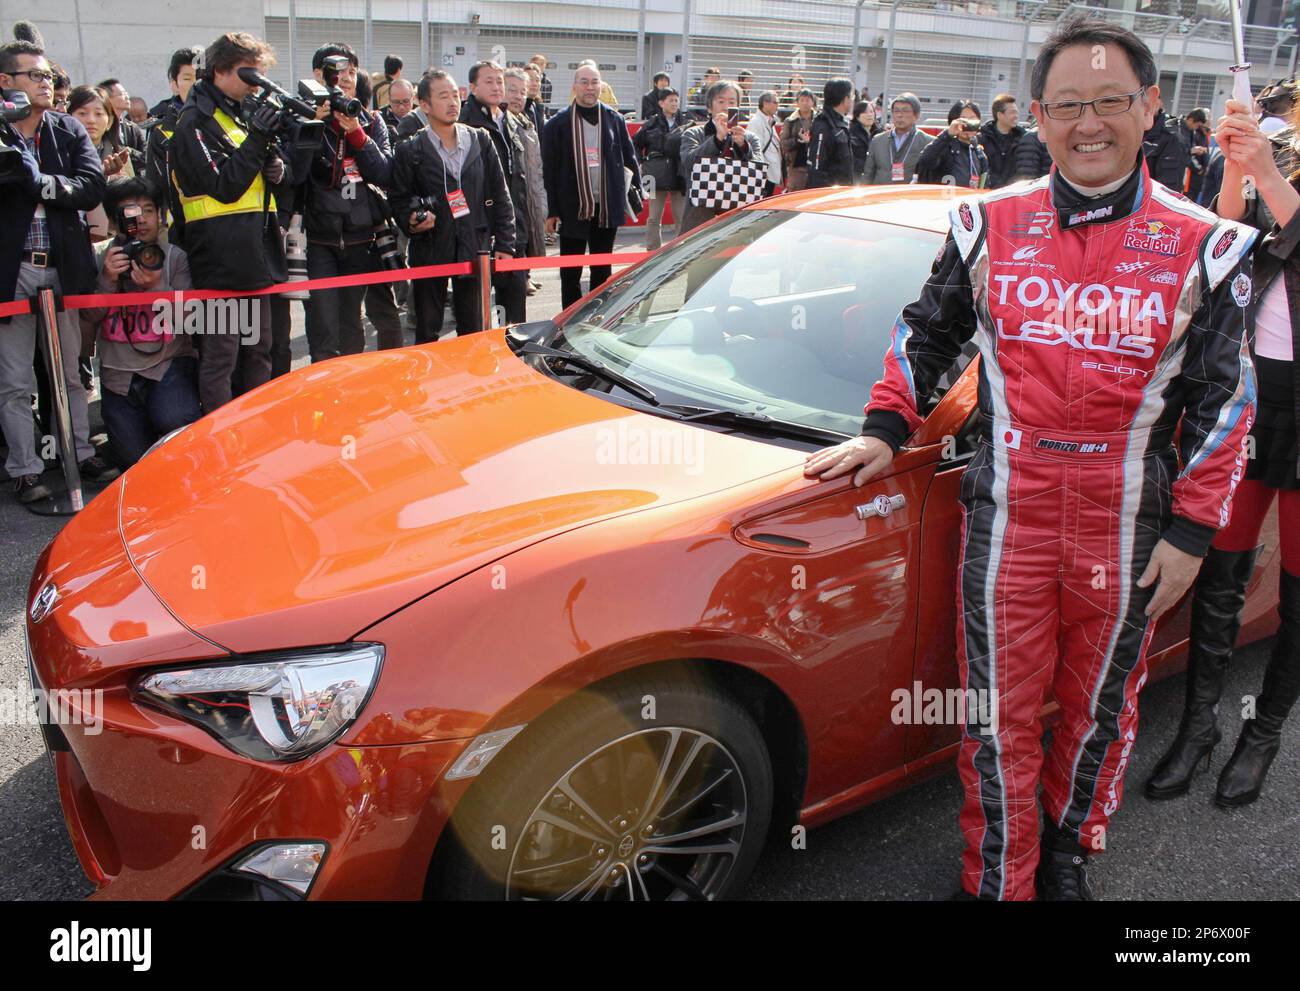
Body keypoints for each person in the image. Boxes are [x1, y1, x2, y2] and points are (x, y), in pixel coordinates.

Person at [803, 15, 1258, 901]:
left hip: (1132, 524)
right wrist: (884, 427)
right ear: (1041, 118)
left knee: (1099, 709)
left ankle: (1070, 851)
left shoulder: (1207, 242)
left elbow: (1224, 399)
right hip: (1009, 512)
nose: (1089, 124)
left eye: (1111, 103)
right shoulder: (984, 223)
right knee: (995, 720)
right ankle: (997, 880)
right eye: (1068, 106)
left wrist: (1195, 529)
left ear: (1151, 107)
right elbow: (928, 331)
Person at [1143, 98, 1299, 810]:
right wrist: (1239, 168)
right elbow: (1224, 239)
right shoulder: (1284, 155)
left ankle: (1262, 731)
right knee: (1221, 570)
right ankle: (1198, 725)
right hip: (1250, 391)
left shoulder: (1283, 167)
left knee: (1298, 590)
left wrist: (1264, 168)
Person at [0, 32, 117, 501]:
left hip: (65, 268)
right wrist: (52, 186)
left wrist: (37, 182)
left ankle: (78, 454)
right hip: (13, 270)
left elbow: (90, 187)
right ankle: (25, 468)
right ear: (6, 81)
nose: (47, 83)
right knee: (14, 379)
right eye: (36, 75)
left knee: (70, 372)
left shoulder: (66, 129)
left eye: (49, 75)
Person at [169, 31, 291, 412]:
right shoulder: (194, 121)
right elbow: (223, 186)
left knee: (260, 350)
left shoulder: (237, 114)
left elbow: (252, 174)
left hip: (255, 255)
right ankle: (219, 437)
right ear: (220, 70)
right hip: (219, 261)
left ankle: (255, 428)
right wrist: (258, 141)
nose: (256, 83)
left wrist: (275, 166)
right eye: (249, 73)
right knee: (221, 356)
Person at [82, 177, 201, 467]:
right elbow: (87, 318)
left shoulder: (174, 257)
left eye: (149, 210)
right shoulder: (101, 256)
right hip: (118, 373)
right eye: (131, 213)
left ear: (160, 214)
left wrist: (157, 288)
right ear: (114, 221)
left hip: (168, 364)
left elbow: (191, 321)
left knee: (175, 422)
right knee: (133, 461)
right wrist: (107, 280)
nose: (143, 219)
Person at [389, 70, 515, 340]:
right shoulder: (410, 149)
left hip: (475, 249)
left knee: (474, 332)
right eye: (443, 96)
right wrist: (412, 218)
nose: (452, 103)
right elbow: (398, 199)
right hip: (430, 250)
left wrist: (505, 244)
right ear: (424, 105)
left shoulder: (480, 140)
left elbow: (501, 195)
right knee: (427, 331)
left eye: (455, 96)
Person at [301, 42, 400, 363]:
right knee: (323, 328)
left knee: (352, 326)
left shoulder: (370, 121)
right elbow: (294, 175)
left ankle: (351, 398)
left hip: (361, 237)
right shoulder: (300, 117)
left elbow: (385, 172)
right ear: (318, 75)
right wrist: (311, 127)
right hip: (318, 240)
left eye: (352, 72)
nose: (345, 78)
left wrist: (357, 134)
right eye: (337, 72)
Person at [542, 62, 641, 308]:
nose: (590, 87)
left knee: (601, 269)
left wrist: (635, 194)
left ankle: (597, 317)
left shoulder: (614, 119)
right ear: (574, 87)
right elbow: (550, 171)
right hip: (572, 207)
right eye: (584, 82)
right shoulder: (557, 124)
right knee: (570, 272)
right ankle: (568, 320)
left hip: (605, 207)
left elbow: (630, 159)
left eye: (595, 82)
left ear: (601, 86)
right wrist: (552, 211)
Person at [461, 60, 529, 324]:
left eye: (499, 81)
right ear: (473, 87)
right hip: (479, 233)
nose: (496, 86)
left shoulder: (511, 121)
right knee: (475, 317)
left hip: (513, 229)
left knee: (514, 317)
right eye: (488, 81)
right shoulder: (465, 123)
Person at [676, 79, 761, 235]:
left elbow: (760, 171)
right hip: (700, 215)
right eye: (721, 101)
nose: (726, 106)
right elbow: (689, 163)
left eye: (732, 101)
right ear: (710, 106)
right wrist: (716, 139)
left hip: (737, 217)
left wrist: (743, 146)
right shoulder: (694, 133)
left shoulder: (749, 137)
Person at [505, 67, 547, 294]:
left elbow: (536, 166)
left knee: (527, 241)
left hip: (528, 197)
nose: (517, 96)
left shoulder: (527, 120)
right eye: (511, 90)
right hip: (509, 204)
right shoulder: (497, 125)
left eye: (522, 91)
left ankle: (524, 277)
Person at [144, 46, 201, 209]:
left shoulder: (229, 120)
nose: (196, 85)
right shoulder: (162, 132)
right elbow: (155, 186)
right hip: (183, 227)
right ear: (174, 84)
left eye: (201, 78)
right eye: (187, 78)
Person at [635, 86, 688, 248]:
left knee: (681, 217)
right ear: (661, 103)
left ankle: (681, 251)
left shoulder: (686, 123)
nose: (674, 104)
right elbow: (635, 144)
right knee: (653, 216)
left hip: (679, 173)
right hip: (654, 174)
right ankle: (652, 252)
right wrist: (642, 161)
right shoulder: (651, 123)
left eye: (676, 101)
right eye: (670, 100)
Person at [915, 99, 989, 188]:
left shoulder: (979, 153)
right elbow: (926, 160)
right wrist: (948, 133)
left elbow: (984, 185)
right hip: (945, 199)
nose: (968, 124)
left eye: (972, 120)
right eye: (963, 120)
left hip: (969, 200)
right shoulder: (945, 146)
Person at [862, 92, 932, 185]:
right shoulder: (878, 140)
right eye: (896, 111)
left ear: (917, 115)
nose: (899, 115)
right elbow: (868, 175)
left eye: (905, 111)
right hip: (880, 196)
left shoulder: (928, 143)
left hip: (909, 196)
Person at [69, 86, 134, 183]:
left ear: (110, 122)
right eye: (82, 113)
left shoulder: (119, 156)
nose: (91, 120)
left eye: (98, 114)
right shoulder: (58, 153)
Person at [807, 77, 856, 188]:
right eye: (852, 97)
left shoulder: (841, 123)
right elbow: (817, 169)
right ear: (845, 98)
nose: (853, 101)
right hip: (828, 196)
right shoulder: (824, 125)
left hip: (841, 193)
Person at [978, 93, 1025, 188]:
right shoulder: (982, 137)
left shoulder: (1022, 138)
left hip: (1012, 193)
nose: (1016, 116)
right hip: (987, 192)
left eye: (1016, 112)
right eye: (1012, 112)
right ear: (1000, 115)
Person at [1143, 96, 1190, 192]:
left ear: (1160, 103)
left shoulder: (1171, 135)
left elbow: (1168, 184)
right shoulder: (1131, 128)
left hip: (1151, 198)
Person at [97, 78, 147, 163]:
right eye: (122, 94)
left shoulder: (132, 127)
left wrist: (131, 152)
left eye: (126, 93)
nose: (127, 97)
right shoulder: (100, 126)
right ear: (107, 98)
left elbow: (145, 153)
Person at [747, 90, 783, 195]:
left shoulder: (768, 120)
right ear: (765, 103)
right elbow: (756, 149)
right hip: (764, 174)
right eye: (775, 102)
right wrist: (761, 172)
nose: (777, 106)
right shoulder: (756, 122)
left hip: (769, 172)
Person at [780, 88, 817, 191]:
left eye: (808, 100)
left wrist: (811, 140)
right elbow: (783, 144)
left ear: (813, 102)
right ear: (797, 102)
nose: (805, 103)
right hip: (796, 166)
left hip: (816, 165)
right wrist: (798, 140)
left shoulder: (819, 120)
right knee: (795, 195)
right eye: (802, 100)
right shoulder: (790, 121)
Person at [1177, 107, 1211, 201]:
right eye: (1197, 125)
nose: (1197, 128)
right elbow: (1179, 150)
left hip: (1187, 172)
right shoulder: (1178, 128)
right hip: (1186, 173)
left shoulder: (1191, 131)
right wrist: (1192, 151)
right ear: (1191, 120)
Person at [849, 100, 882, 184]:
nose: (869, 115)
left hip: (876, 178)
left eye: (871, 112)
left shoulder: (880, 133)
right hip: (856, 179)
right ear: (857, 115)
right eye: (865, 112)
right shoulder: (850, 133)